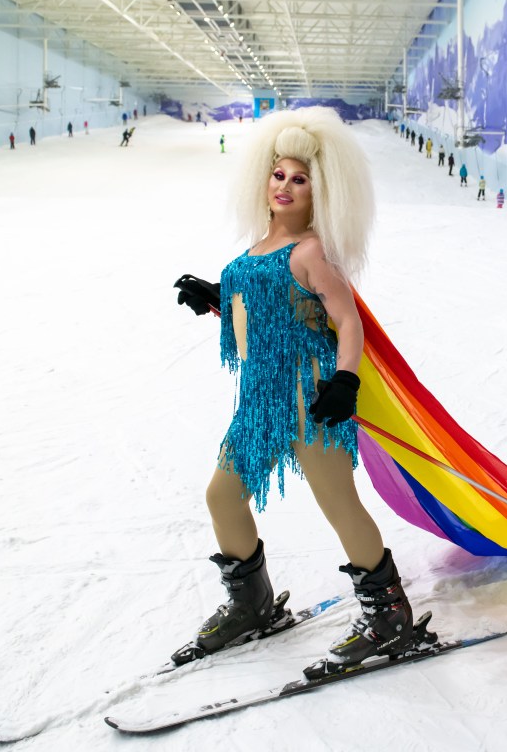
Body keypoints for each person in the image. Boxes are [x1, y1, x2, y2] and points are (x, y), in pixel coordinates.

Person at [168, 107, 417, 674]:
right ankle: (250, 604)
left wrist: (345, 380)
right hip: (259, 401)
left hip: (310, 397)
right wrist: (214, 298)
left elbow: (348, 322)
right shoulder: (254, 249)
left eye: (299, 179)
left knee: (339, 506)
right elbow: (255, 320)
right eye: (279, 175)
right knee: (221, 495)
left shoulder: (310, 252)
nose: (285, 186)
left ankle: (389, 617)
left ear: (317, 192)